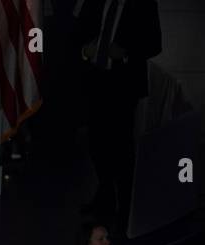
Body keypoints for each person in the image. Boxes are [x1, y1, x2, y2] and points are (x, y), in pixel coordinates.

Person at [77, 0, 162, 226]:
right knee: (96, 141)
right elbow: (78, 32)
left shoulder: (143, 5)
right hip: (95, 80)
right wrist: (85, 51)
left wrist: (125, 53)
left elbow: (154, 43)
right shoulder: (94, 2)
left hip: (124, 84)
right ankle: (105, 194)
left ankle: (125, 203)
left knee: (121, 144)